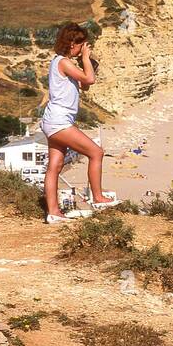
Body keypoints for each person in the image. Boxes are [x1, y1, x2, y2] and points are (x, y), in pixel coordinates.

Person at [41, 23, 116, 224]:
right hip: (59, 121)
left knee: (54, 166)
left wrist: (86, 62)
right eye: (81, 43)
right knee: (96, 152)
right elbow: (90, 80)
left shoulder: (64, 63)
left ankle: (53, 212)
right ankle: (98, 198)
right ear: (71, 42)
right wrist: (84, 58)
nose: (83, 47)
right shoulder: (63, 62)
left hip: (54, 120)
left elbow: (85, 86)